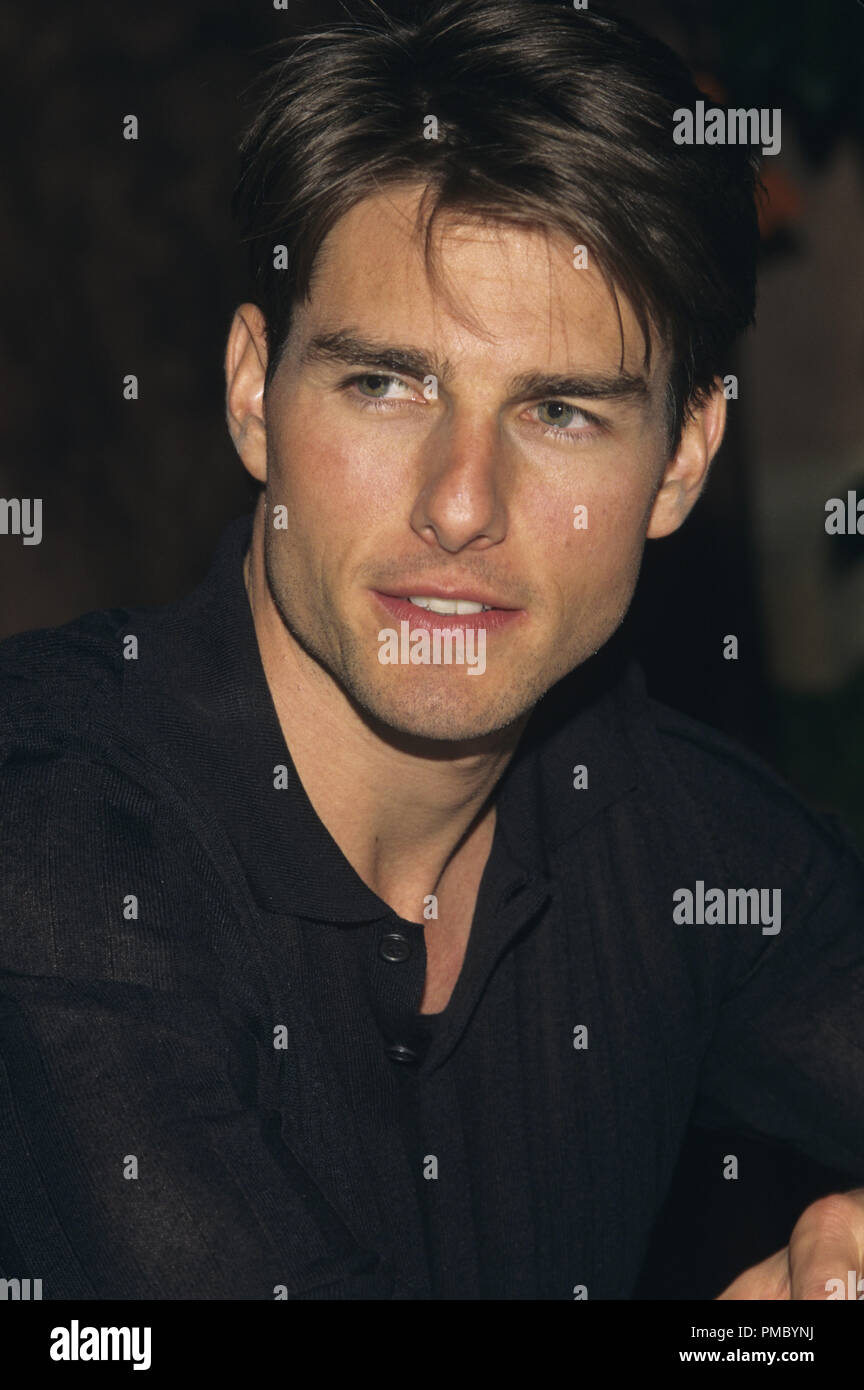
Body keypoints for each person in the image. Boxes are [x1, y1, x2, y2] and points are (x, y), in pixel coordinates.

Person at [0, 0, 862, 1301]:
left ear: (681, 460)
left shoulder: (678, 832)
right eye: (386, 383)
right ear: (253, 393)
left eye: (562, 410)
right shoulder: (55, 835)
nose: (462, 501)